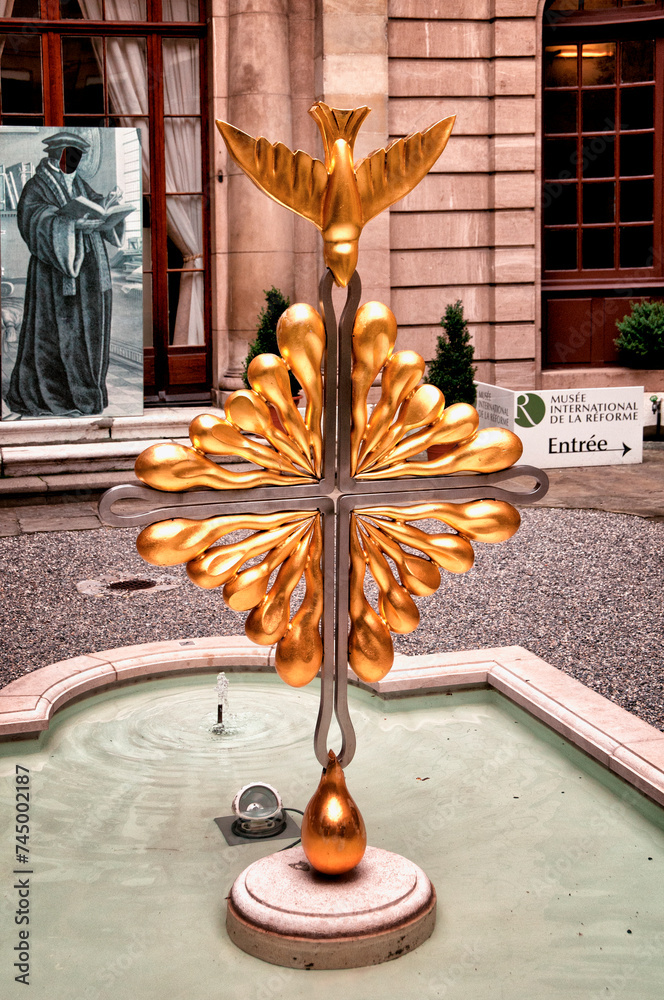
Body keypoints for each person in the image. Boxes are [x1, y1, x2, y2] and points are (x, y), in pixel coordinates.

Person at [5, 130, 127, 417]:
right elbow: (33, 219)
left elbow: (95, 205)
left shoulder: (77, 183)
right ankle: (56, 397)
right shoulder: (37, 186)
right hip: (55, 275)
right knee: (58, 333)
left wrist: (108, 206)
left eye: (77, 157)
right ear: (55, 156)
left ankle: (87, 393)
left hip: (91, 271)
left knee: (90, 331)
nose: (73, 162)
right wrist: (67, 225)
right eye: (69, 156)